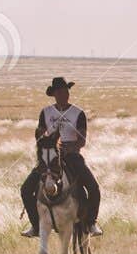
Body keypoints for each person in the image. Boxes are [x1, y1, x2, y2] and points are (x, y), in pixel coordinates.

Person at [20, 75, 102, 238]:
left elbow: (82, 140)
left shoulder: (78, 113)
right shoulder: (46, 112)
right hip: (49, 156)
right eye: (60, 91)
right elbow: (40, 134)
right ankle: (36, 225)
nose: (64, 94)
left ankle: (91, 222)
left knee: (93, 188)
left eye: (66, 91)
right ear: (54, 94)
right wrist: (43, 141)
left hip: (72, 156)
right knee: (26, 189)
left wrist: (68, 148)